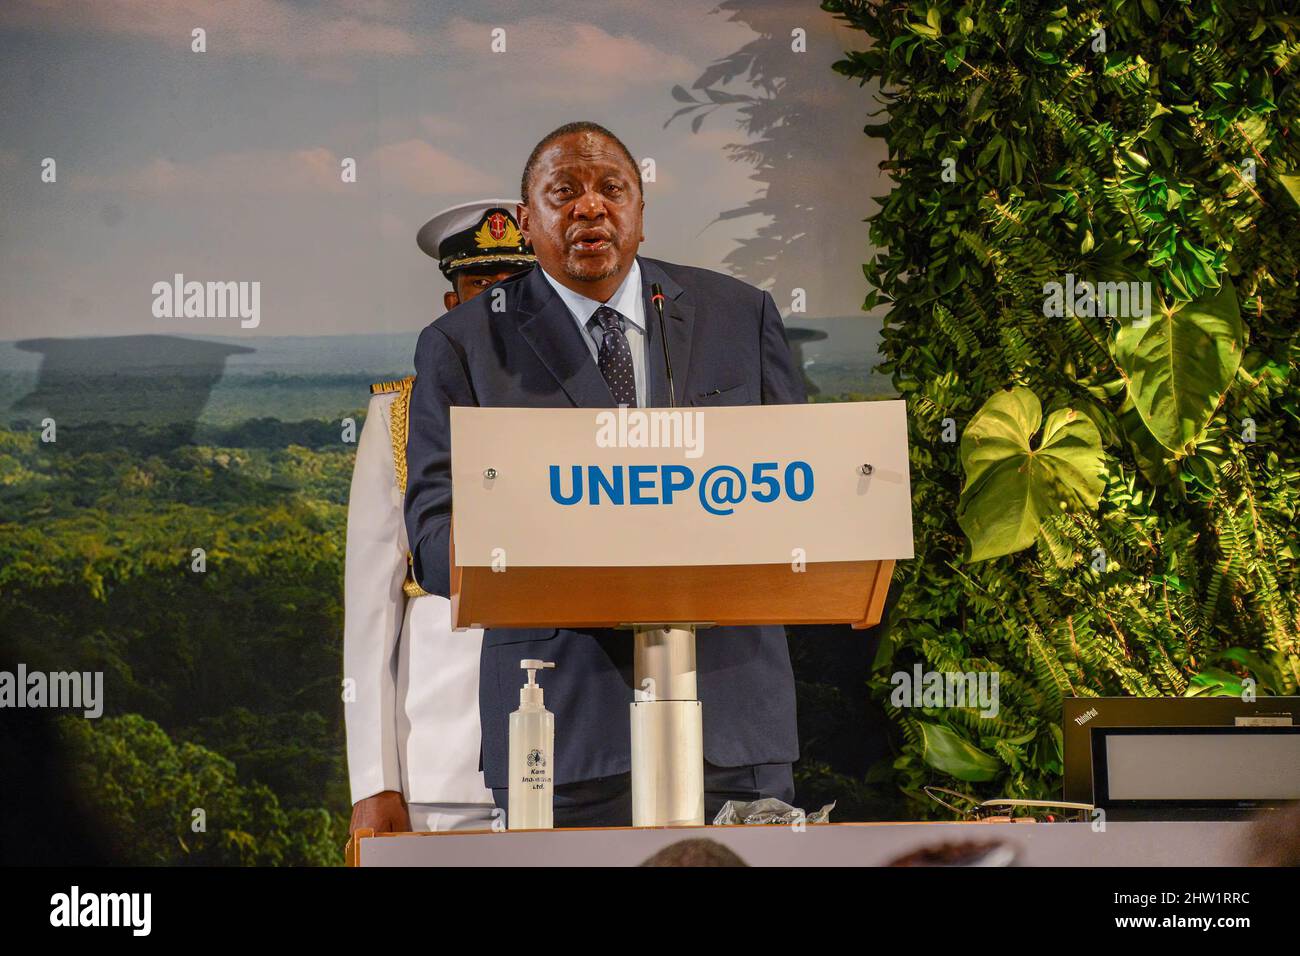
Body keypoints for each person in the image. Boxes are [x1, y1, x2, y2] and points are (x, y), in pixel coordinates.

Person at [404, 122, 806, 827]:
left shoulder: (740, 316)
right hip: (561, 733)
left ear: (641, 215)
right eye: (564, 193)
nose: (590, 208)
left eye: (611, 189)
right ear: (529, 224)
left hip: (733, 721)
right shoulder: (465, 345)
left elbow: (805, 488)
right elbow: (434, 540)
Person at [344, 200, 534, 834]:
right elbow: (371, 614)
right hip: (444, 766)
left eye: (519, 286)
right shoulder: (398, 417)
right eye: (482, 286)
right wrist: (374, 782)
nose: (500, 304)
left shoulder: (592, 410)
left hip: (579, 757)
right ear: (452, 306)